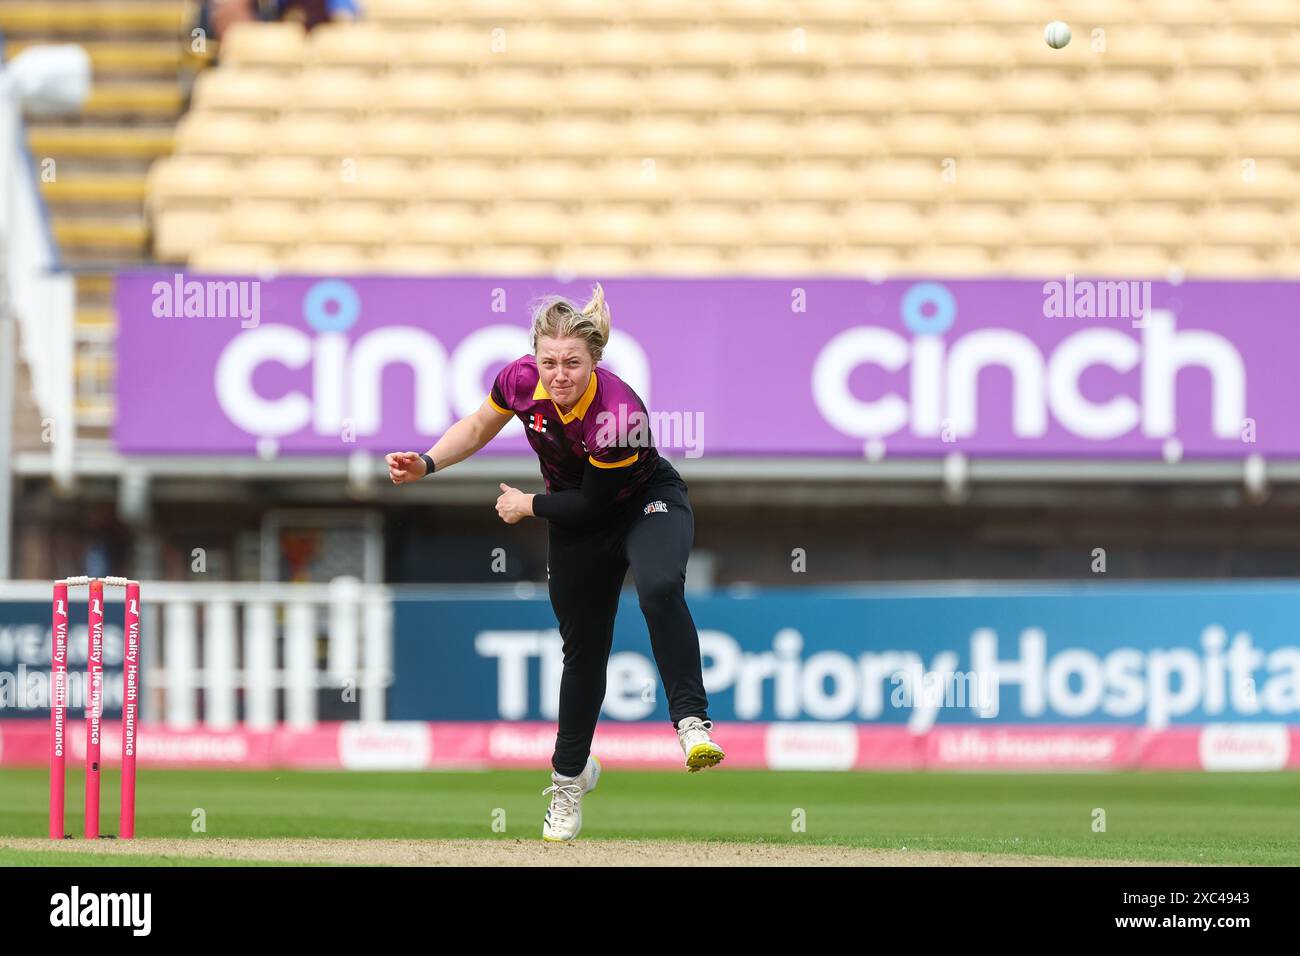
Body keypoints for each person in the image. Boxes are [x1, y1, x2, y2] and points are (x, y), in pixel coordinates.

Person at [386, 284, 723, 842]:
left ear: (595, 361)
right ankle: (569, 781)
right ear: (534, 358)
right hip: (576, 520)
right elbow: (475, 426)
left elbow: (597, 502)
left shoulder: (620, 413)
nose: (559, 374)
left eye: (572, 362)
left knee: (660, 587)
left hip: (643, 504)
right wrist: (426, 462)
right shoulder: (519, 380)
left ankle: (690, 722)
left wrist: (527, 505)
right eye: (549, 362)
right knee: (583, 651)